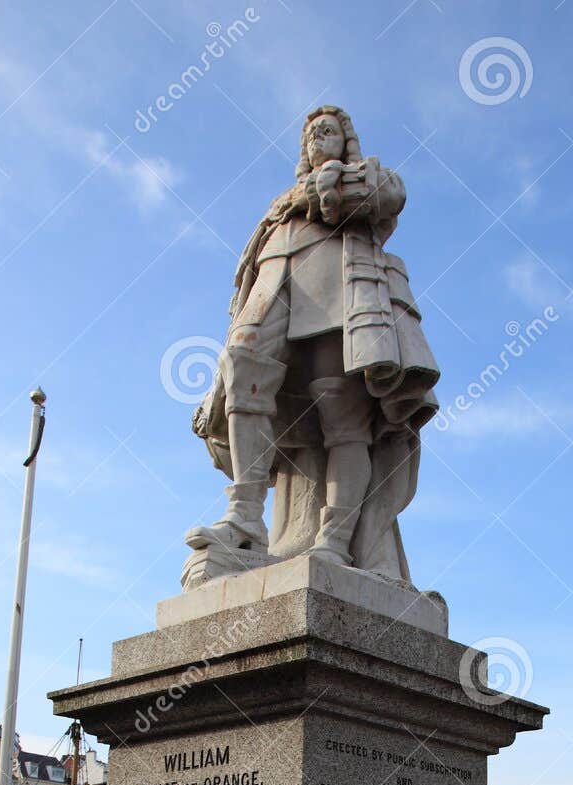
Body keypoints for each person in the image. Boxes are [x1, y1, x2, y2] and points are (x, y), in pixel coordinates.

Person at [187, 104, 439, 586]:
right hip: (276, 281)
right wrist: (301, 197)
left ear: (347, 139)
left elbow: (388, 196)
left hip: (339, 288)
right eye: (310, 134)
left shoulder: (369, 175)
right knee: (242, 362)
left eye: (327, 130)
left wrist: (323, 190)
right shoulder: (279, 204)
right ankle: (245, 517)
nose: (316, 137)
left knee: (342, 414)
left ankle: (335, 540)